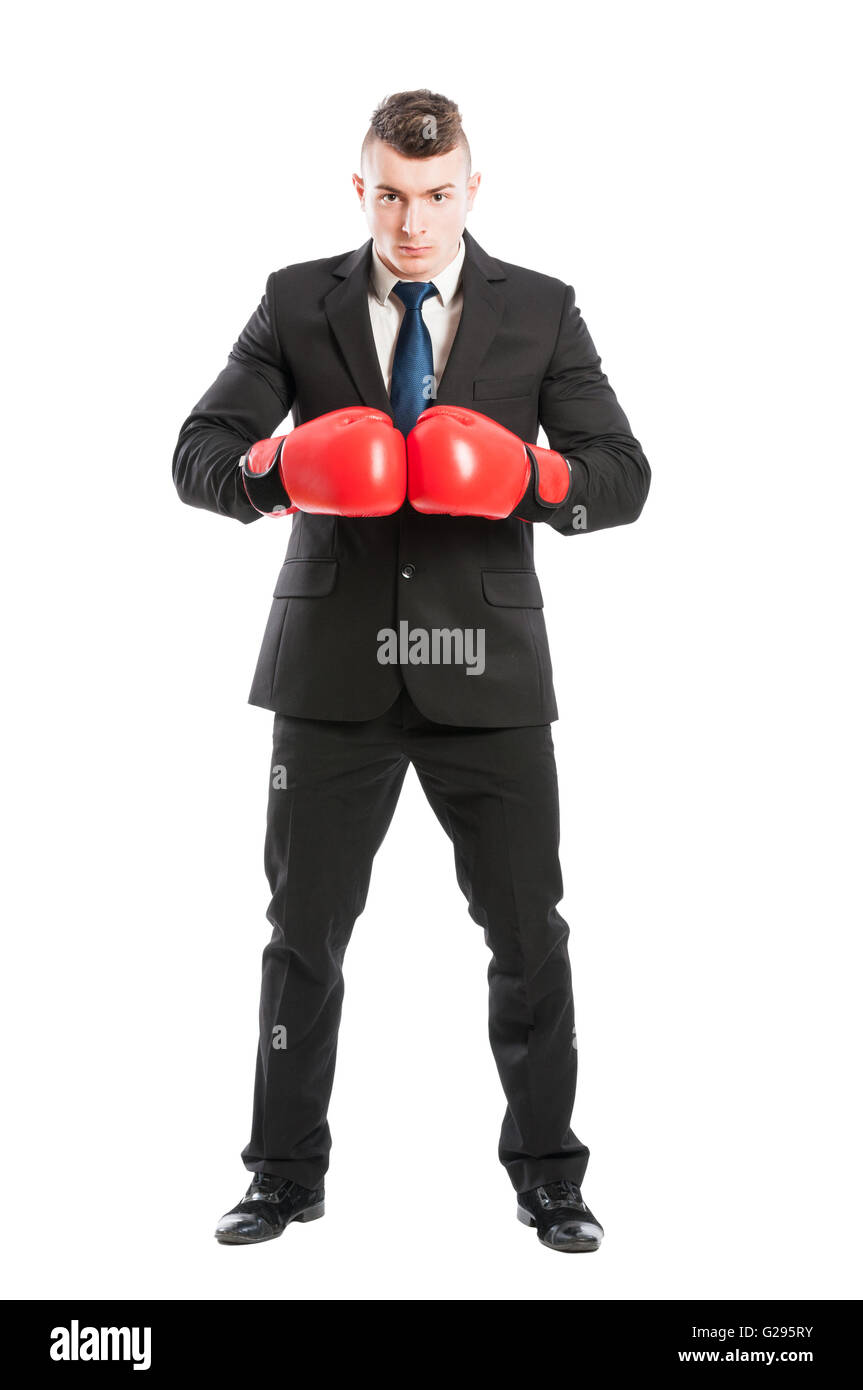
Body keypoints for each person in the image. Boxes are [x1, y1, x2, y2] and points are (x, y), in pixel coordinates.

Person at [172, 88, 650, 1254]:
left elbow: (622, 473)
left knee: (528, 932)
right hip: (331, 677)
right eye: (390, 194)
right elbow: (196, 456)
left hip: (486, 673)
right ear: (360, 189)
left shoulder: (540, 309)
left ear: (470, 190)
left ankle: (549, 1178)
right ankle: (282, 1175)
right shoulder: (297, 300)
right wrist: (284, 463)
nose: (412, 223)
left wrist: (532, 479)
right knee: (301, 936)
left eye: (436, 196)